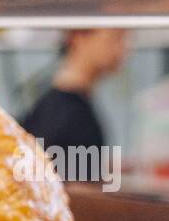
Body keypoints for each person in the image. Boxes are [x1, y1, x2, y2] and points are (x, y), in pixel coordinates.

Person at [21, 28, 128, 159]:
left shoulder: (62, 106)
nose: (124, 49)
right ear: (79, 38)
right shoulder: (65, 115)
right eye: (115, 37)